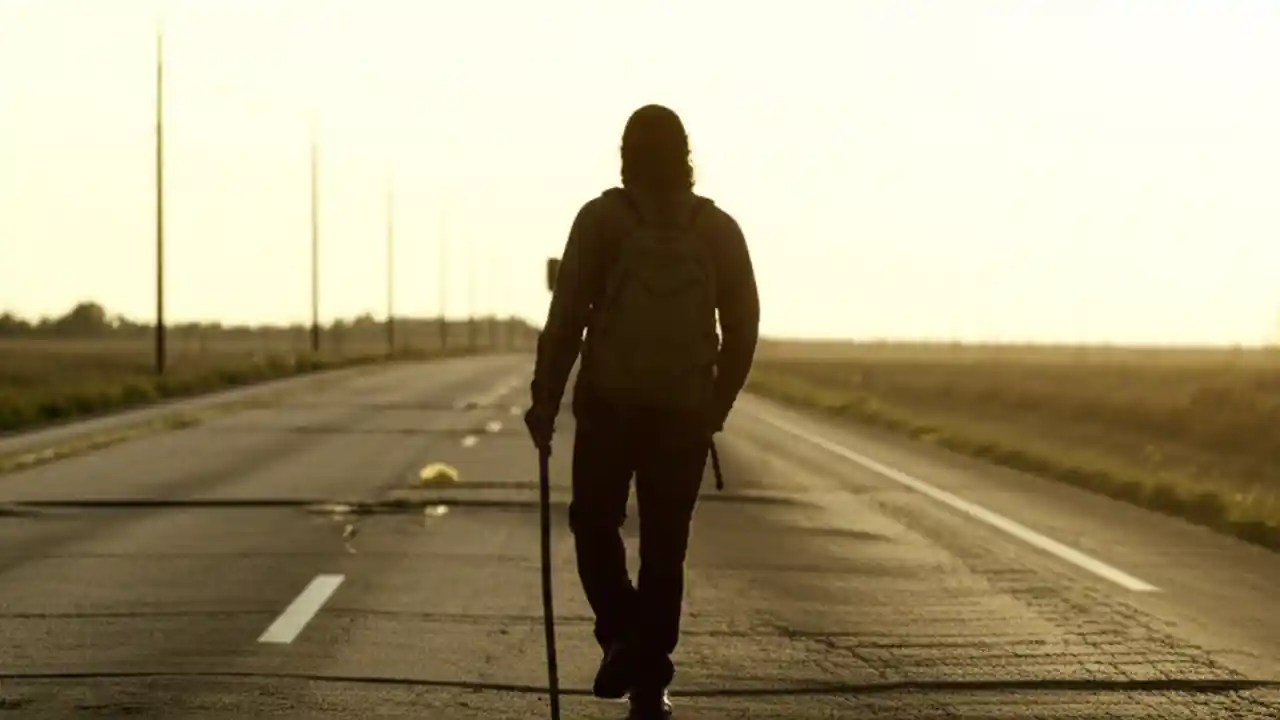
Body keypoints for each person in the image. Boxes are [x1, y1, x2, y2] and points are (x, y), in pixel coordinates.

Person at [525, 104, 760, 719]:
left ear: (626, 157)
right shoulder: (718, 230)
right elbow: (744, 329)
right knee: (664, 549)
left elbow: (566, 318)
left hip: (608, 407)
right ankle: (649, 683)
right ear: (686, 157)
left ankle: (623, 637)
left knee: (594, 525)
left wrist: (545, 400)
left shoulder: (602, 221)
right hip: (682, 416)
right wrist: (714, 406)